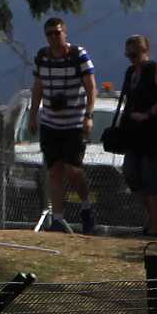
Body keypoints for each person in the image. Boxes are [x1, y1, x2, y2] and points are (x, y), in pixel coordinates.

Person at [29, 15, 96, 234]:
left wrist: (89, 115)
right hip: (50, 122)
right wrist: (33, 115)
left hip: (74, 122)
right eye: (49, 34)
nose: (54, 37)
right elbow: (38, 86)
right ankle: (58, 218)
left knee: (73, 169)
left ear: (64, 33)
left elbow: (90, 86)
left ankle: (86, 207)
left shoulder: (78, 55)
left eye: (57, 32)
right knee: (54, 170)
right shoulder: (42, 57)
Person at [114, 34, 157, 237]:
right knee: (131, 172)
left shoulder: (155, 69)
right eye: (129, 54)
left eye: (137, 52)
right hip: (135, 133)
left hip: (156, 131)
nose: (133, 57)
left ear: (145, 50)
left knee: (150, 174)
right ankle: (151, 217)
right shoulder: (130, 72)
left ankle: (156, 224)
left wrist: (149, 114)